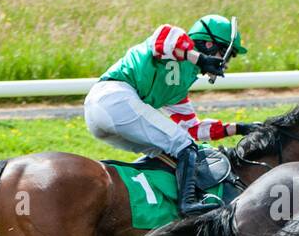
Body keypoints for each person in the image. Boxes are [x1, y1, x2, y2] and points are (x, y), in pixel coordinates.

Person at [85, 16, 248, 215]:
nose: (225, 62)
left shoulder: (180, 85)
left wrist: (240, 128)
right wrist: (201, 59)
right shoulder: (178, 37)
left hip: (106, 111)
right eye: (225, 54)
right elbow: (162, 42)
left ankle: (143, 199)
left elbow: (193, 128)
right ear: (208, 44)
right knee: (183, 144)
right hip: (114, 97)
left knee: (172, 150)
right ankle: (188, 204)